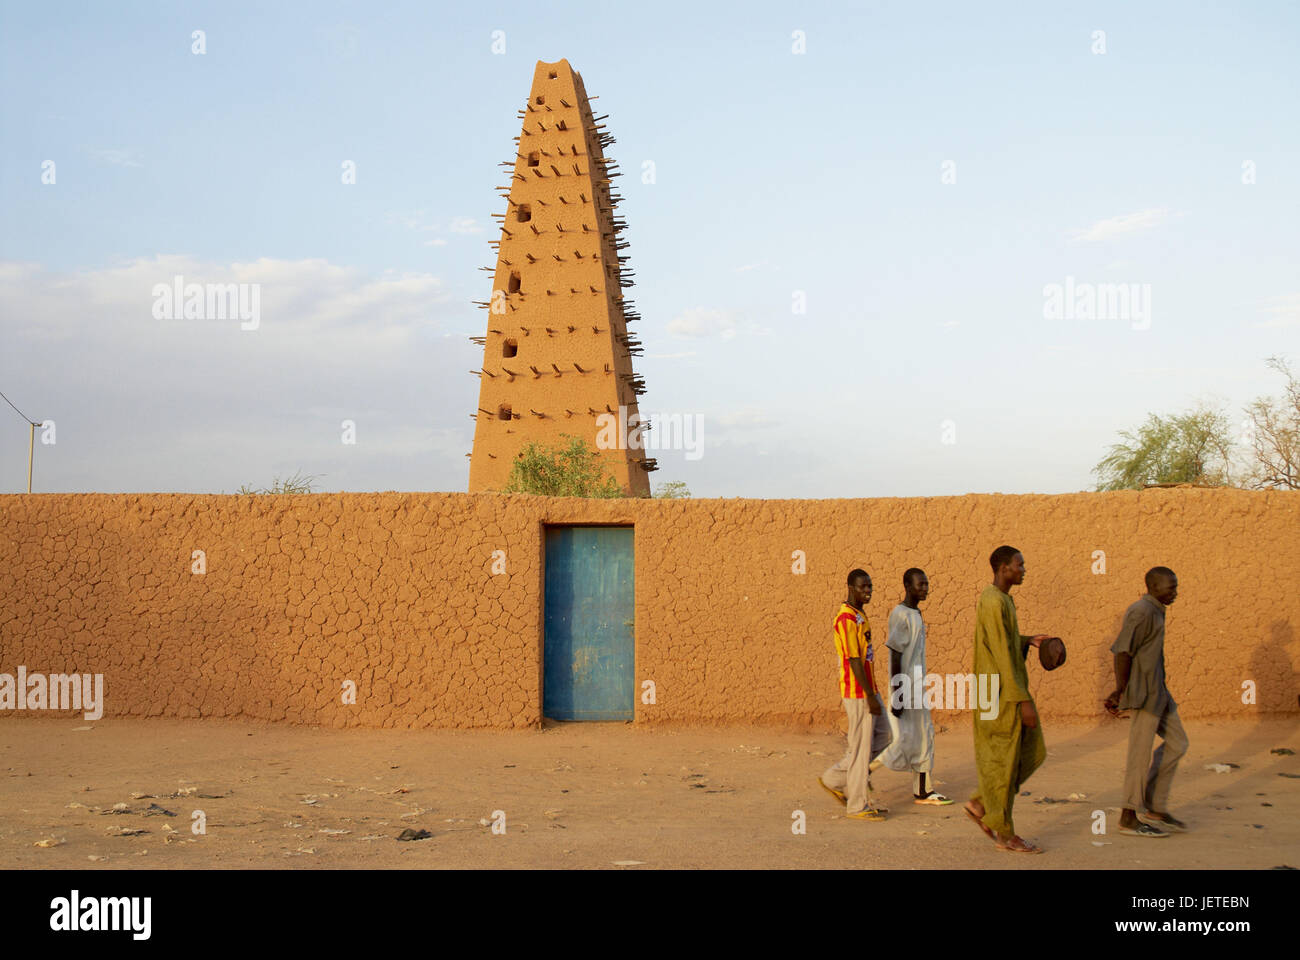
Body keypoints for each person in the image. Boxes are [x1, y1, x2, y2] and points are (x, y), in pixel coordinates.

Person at [964, 546, 1052, 853]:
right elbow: (1001, 654)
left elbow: (1002, 641)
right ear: (1004, 568)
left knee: (1030, 752)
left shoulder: (1001, 600)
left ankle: (980, 802)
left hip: (1000, 689)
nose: (1024, 569)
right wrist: (1022, 700)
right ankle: (1004, 832)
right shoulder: (992, 600)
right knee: (1002, 761)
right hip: (998, 692)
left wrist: (1028, 640)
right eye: (1020, 564)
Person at [1105, 567, 1189, 838]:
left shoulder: (1157, 610)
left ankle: (1153, 807)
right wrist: (1120, 690)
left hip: (1159, 693)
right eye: (1170, 587)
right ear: (1153, 587)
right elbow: (1122, 651)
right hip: (1143, 694)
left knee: (1178, 743)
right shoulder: (1141, 611)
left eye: (1175, 587)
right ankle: (1128, 817)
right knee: (1139, 757)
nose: (1175, 592)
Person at [872, 568, 953, 804]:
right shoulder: (901, 614)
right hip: (904, 688)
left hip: (916, 688)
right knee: (901, 740)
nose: (925, 588)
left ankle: (924, 790)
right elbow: (896, 654)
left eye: (927, 584)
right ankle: (858, 775)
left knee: (924, 736)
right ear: (907, 586)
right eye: (920, 584)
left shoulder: (915, 613)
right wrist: (898, 693)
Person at [819, 568, 892, 820]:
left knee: (886, 737)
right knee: (862, 748)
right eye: (863, 587)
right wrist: (869, 696)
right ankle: (857, 804)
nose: (868, 591)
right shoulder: (846, 619)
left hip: (870, 689)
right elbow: (853, 659)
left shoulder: (860, 614)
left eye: (870, 586)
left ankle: (835, 778)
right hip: (858, 691)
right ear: (850, 588)